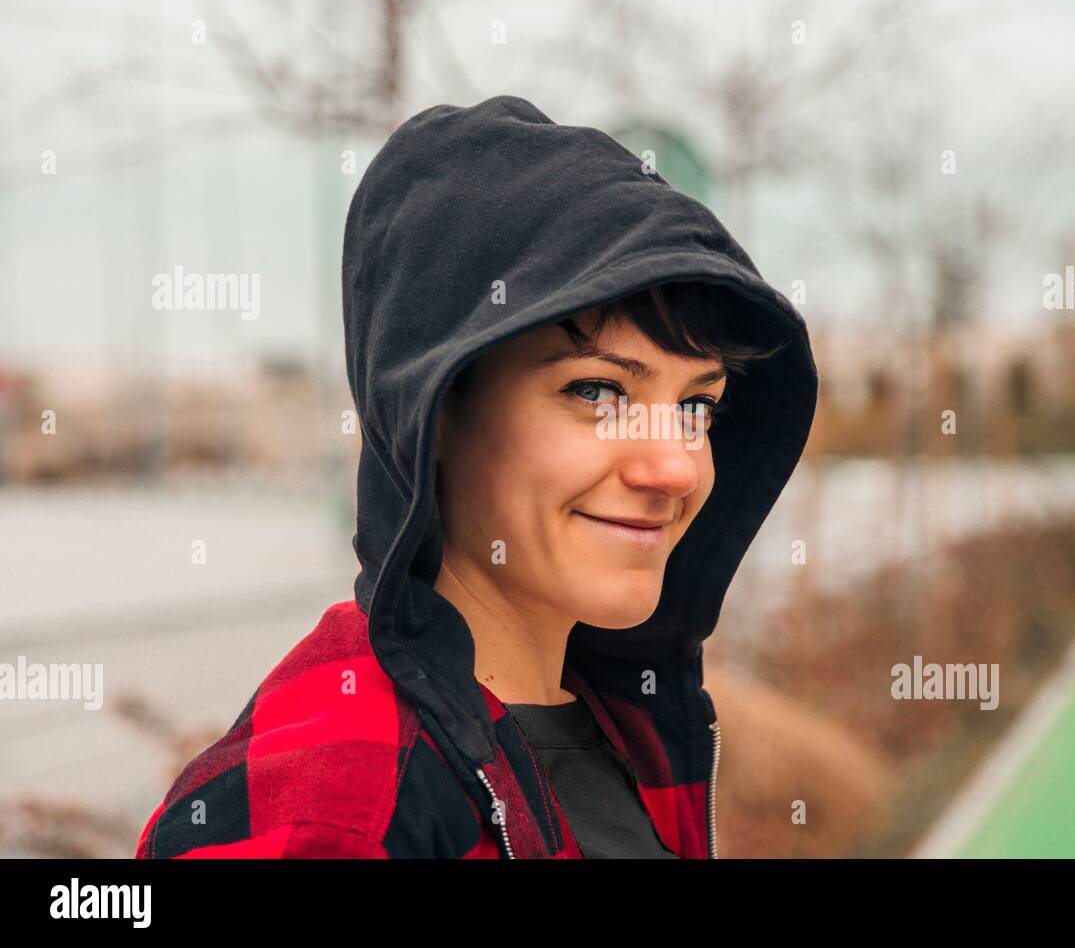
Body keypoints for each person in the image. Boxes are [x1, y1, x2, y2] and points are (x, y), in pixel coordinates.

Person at [134, 94, 818, 859]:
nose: (672, 466)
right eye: (597, 392)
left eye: (698, 404)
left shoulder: (628, 725)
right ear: (434, 413)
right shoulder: (337, 805)